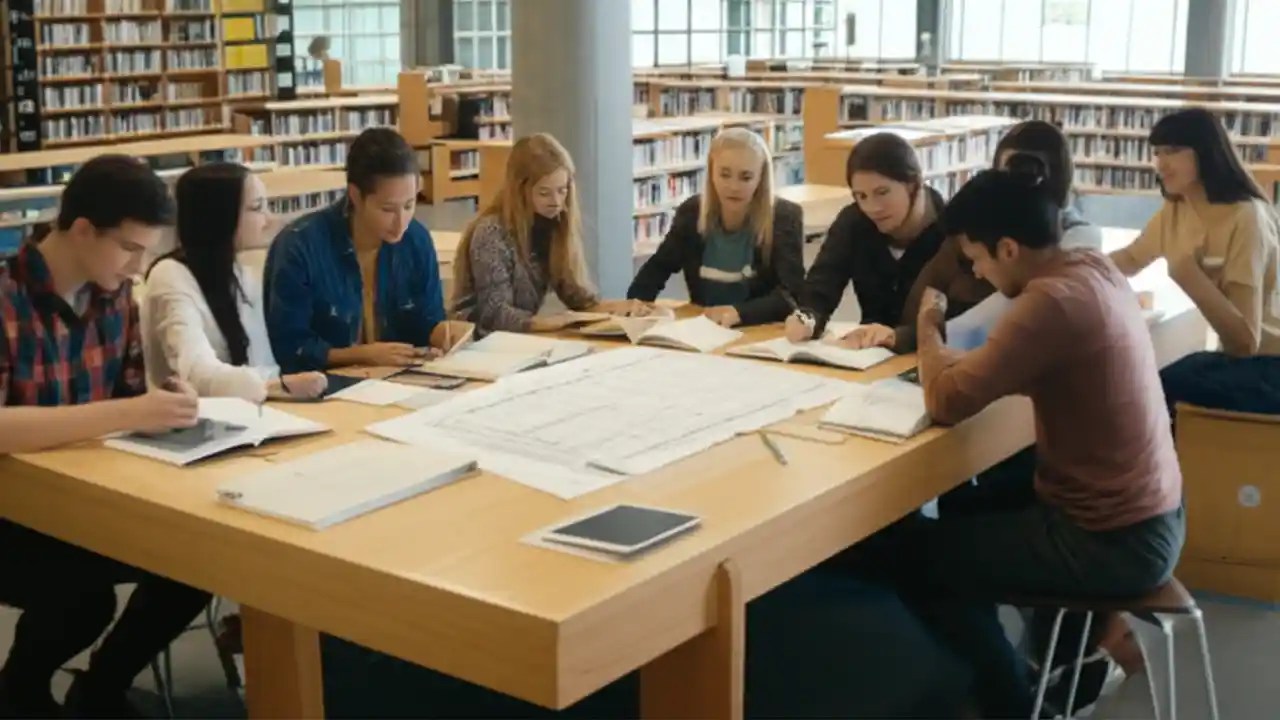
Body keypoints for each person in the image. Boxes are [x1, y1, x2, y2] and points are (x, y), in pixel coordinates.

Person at [851, 169, 1183, 718]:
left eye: (975, 258)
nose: (975, 271)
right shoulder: (1092, 270)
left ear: (1007, 248)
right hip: (1152, 518)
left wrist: (929, 323)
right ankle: (1018, 680)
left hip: (1109, 543)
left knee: (918, 558)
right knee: (958, 513)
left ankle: (1012, 705)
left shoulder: (1049, 302)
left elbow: (946, 401)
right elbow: (1021, 367)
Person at [0, 155, 211, 717]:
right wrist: (126, 413)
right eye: (130, 249)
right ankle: (20, 689)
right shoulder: (5, 297)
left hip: (90, 498)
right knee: (82, 599)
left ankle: (100, 686)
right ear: (83, 230)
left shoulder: (113, 293)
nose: (139, 269)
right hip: (13, 514)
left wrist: (167, 403)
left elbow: (130, 396)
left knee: (197, 566)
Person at [1110, 107, 1280, 417]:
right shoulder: (1177, 209)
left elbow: (1245, 343)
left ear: (1205, 154)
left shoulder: (1246, 217)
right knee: (1141, 384)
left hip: (1269, 365)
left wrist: (1189, 277)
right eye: (1157, 153)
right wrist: (1063, 267)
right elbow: (1129, 259)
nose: (1161, 164)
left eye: (1173, 152)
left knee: (1151, 389)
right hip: (1237, 363)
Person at [264, 127, 471, 373]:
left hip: (401, 380)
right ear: (355, 195)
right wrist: (362, 355)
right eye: (387, 209)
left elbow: (425, 321)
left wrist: (444, 334)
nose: (401, 221)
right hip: (322, 387)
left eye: (409, 205)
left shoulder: (416, 239)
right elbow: (290, 349)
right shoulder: (299, 245)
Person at [901, 120, 1104, 352]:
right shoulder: (977, 227)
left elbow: (1008, 315)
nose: (1015, 187)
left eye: (1027, 175)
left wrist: (931, 330)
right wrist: (904, 335)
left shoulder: (1075, 243)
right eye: (1006, 174)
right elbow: (930, 284)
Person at [143, 163, 327, 402]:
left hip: (253, 415)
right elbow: (197, 375)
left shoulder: (240, 276)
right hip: (194, 424)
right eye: (256, 207)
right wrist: (277, 385)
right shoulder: (168, 276)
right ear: (221, 215)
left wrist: (278, 384)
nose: (268, 219)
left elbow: (263, 364)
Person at [451, 133, 650, 335]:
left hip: (517, 340)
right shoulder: (491, 233)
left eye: (562, 190)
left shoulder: (553, 224)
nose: (556, 201)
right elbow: (494, 315)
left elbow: (578, 299)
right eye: (544, 193)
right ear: (520, 191)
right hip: (477, 342)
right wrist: (555, 322)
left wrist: (619, 308)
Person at [627, 127, 804, 327]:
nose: (733, 186)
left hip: (757, 330)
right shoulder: (692, 212)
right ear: (711, 173)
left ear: (760, 179)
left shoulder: (783, 217)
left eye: (745, 177)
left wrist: (738, 313)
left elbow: (792, 296)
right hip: (705, 330)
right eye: (725, 174)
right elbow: (658, 268)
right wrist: (635, 306)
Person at [783, 132, 945, 350]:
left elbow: (962, 323)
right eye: (861, 196)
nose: (872, 208)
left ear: (913, 184)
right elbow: (821, 286)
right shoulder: (854, 221)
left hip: (931, 360)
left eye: (882, 192)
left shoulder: (952, 230)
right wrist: (808, 318)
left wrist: (898, 336)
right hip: (866, 356)